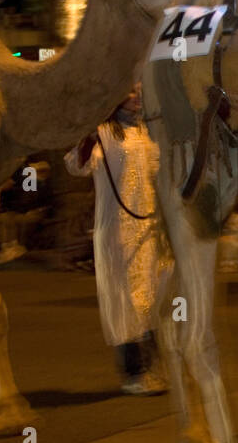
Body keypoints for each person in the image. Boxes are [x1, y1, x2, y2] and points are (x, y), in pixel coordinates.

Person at [65, 85, 172, 396]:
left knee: (154, 293)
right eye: (129, 92)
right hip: (118, 231)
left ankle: (154, 365)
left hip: (150, 227)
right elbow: (76, 166)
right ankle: (134, 373)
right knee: (127, 300)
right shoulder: (103, 133)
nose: (137, 96)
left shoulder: (148, 130)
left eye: (140, 91)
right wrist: (86, 137)